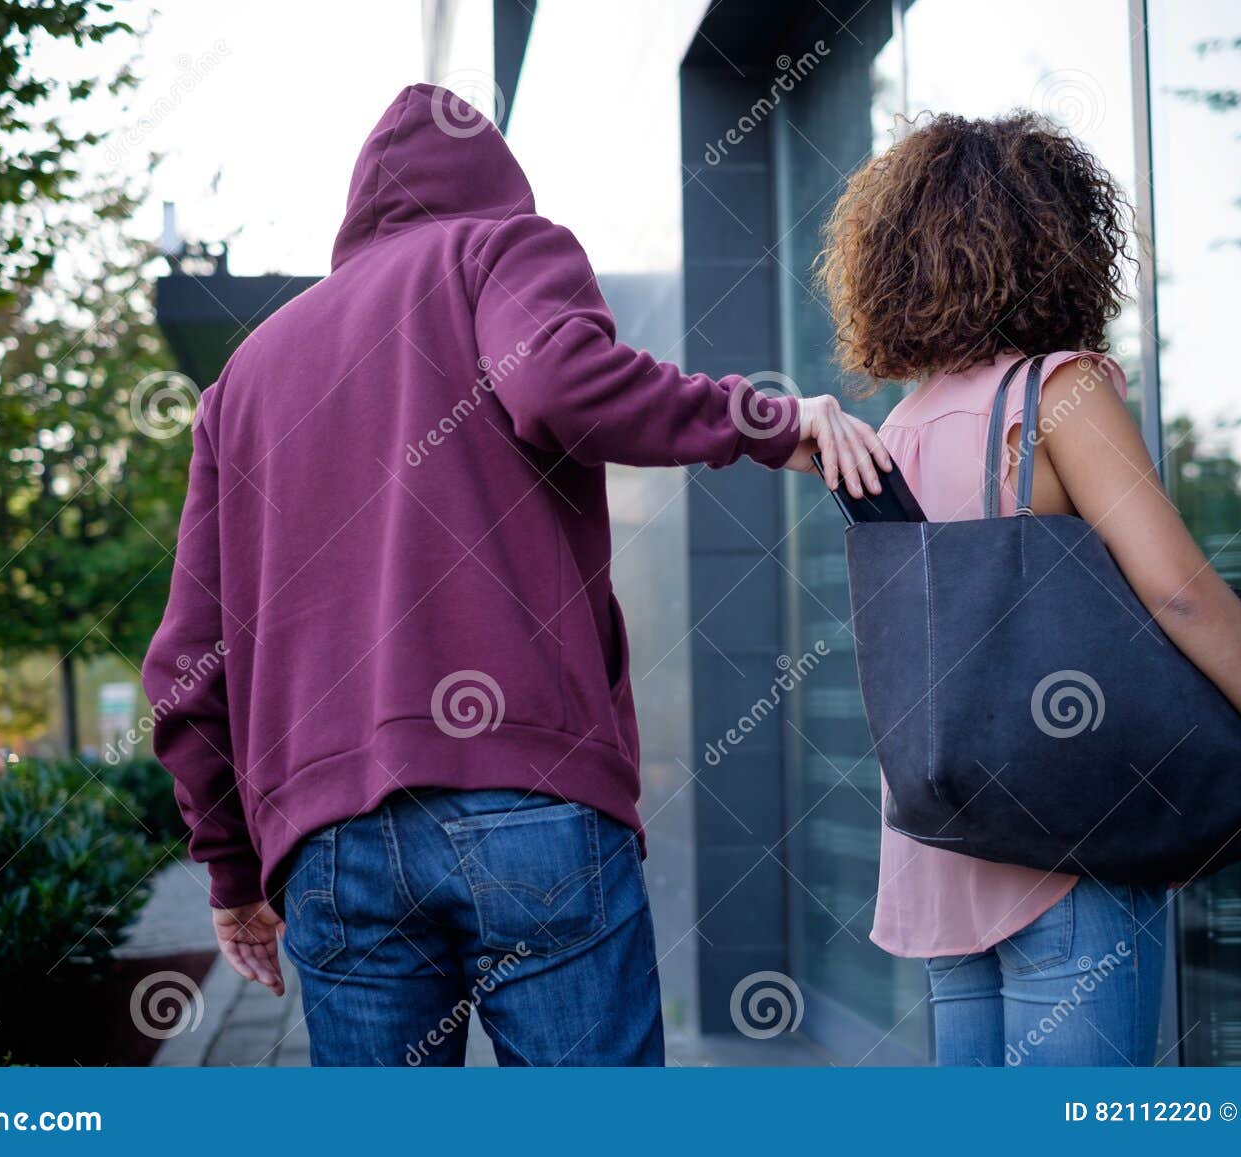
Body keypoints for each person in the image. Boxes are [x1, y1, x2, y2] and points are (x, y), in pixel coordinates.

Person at [141, 84, 892, 1067]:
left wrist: (233, 876)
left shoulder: (241, 381)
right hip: (528, 793)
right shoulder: (500, 248)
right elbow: (556, 381)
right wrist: (764, 418)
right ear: (499, 187)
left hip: (329, 841)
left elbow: (186, 665)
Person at [818, 110, 1241, 1067]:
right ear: (1058, 245)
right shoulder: (1062, 393)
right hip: (1073, 844)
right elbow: (1183, 593)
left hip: (942, 850)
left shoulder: (896, 426)